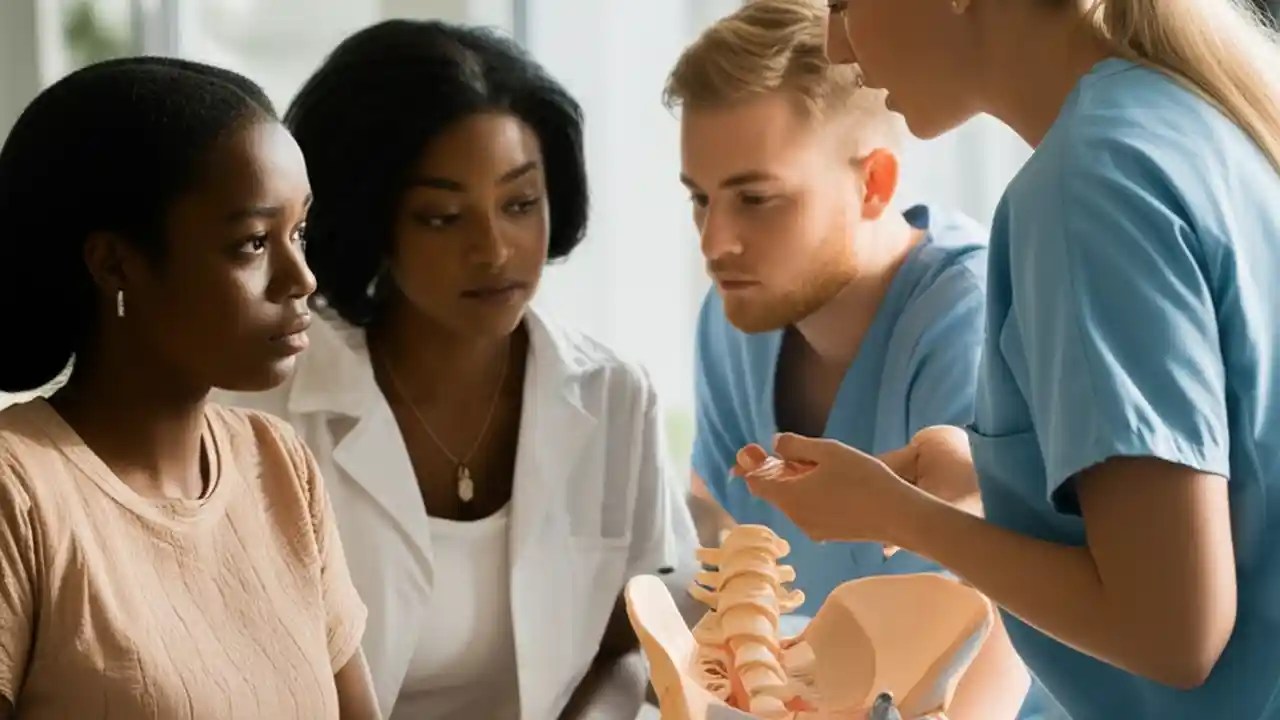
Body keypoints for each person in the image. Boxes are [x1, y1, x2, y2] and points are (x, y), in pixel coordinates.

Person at [743, 1, 1280, 718]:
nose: (837, 48)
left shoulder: (1088, 183)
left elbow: (1173, 633)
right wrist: (999, 478)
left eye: (843, 3)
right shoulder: (1186, 121)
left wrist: (898, 517)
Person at [216, 19, 699, 720]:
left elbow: (630, 648)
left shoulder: (616, 397)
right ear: (373, 222)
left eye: (521, 204)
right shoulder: (264, 407)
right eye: (443, 217)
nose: (495, 249)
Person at [664, 1, 1052, 717]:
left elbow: (1001, 640)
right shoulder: (733, 324)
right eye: (701, 199)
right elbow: (719, 537)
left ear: (874, 183)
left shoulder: (968, 323)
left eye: (756, 199)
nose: (715, 242)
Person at [0, 58, 379, 719]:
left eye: (300, 233)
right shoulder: (19, 494)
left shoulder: (280, 466)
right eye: (253, 243)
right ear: (115, 263)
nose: (302, 278)